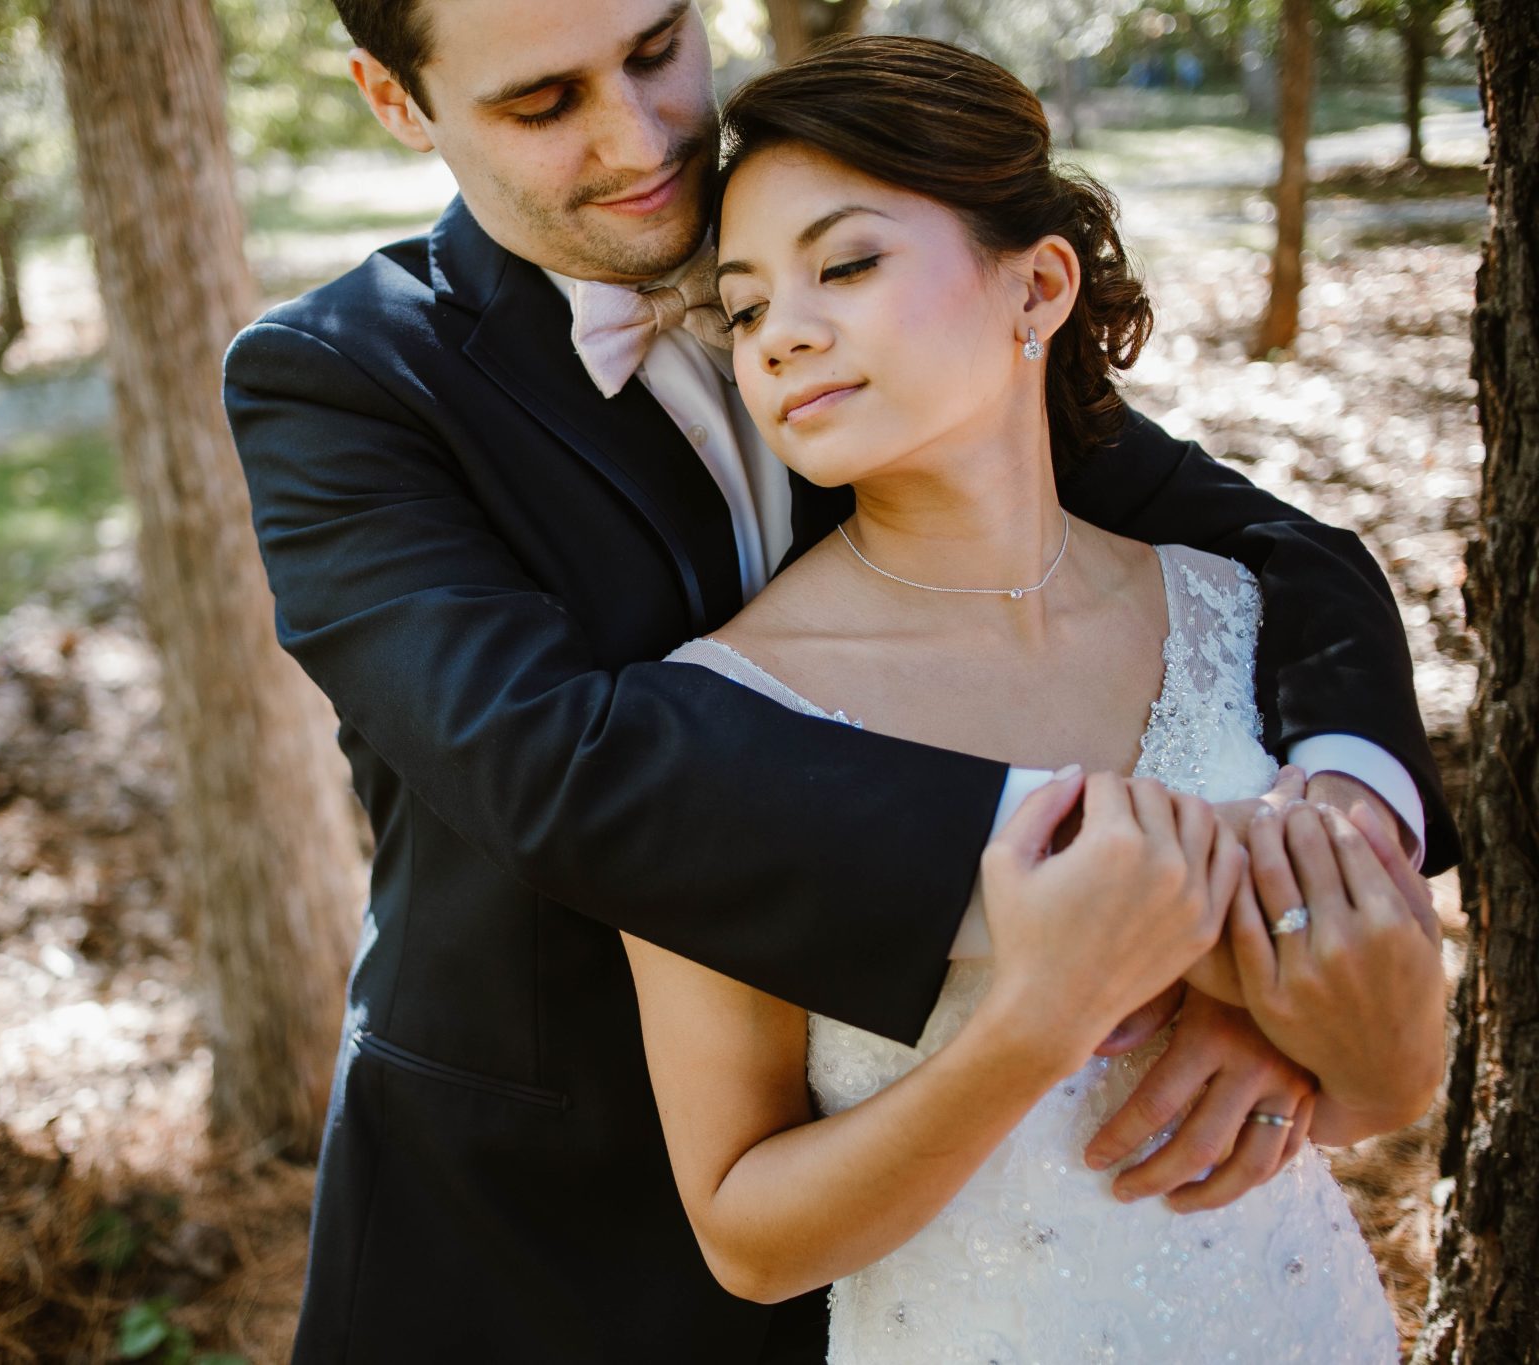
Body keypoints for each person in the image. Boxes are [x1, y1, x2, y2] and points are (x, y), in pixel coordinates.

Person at [220, 2, 1453, 1359]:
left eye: (653, 51)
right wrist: (1137, 898)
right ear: (399, 104)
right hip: (546, 1228)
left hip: (976, 1230)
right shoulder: (343, 382)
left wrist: (1327, 864)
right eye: (542, 104)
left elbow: (1283, 553)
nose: (639, 135)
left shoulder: (888, 273)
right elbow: (559, 765)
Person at [625, 36, 1448, 1361]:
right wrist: (1032, 1024)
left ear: (1039, 284)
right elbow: (747, 1234)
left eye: (844, 265)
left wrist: (1341, 1045)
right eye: (746, 306)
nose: (786, 335)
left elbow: (1381, 1082)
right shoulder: (720, 714)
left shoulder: (1240, 614)